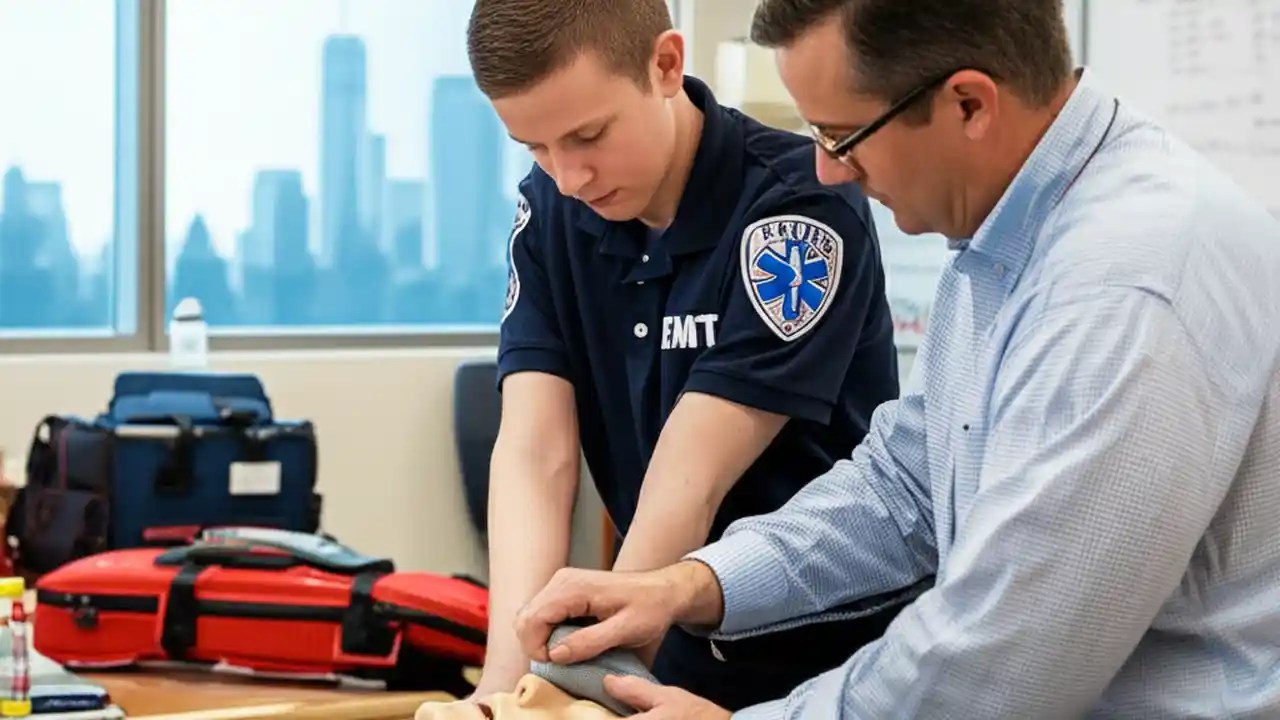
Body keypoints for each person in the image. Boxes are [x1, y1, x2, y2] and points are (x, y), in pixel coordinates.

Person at [511, 0, 1280, 717]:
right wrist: (687, 585)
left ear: (968, 104)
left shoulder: (1119, 289)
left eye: (841, 137)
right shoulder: (1009, 244)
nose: (829, 172)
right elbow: (902, 491)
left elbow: (1000, 659)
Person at [462, 0, 913, 711]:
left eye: (588, 135)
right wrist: (501, 689)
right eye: (537, 149)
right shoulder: (551, 212)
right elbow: (534, 452)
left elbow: (691, 475)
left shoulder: (797, 209)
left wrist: (581, 688)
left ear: (666, 64)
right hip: (666, 650)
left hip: (825, 663)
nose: (569, 176)